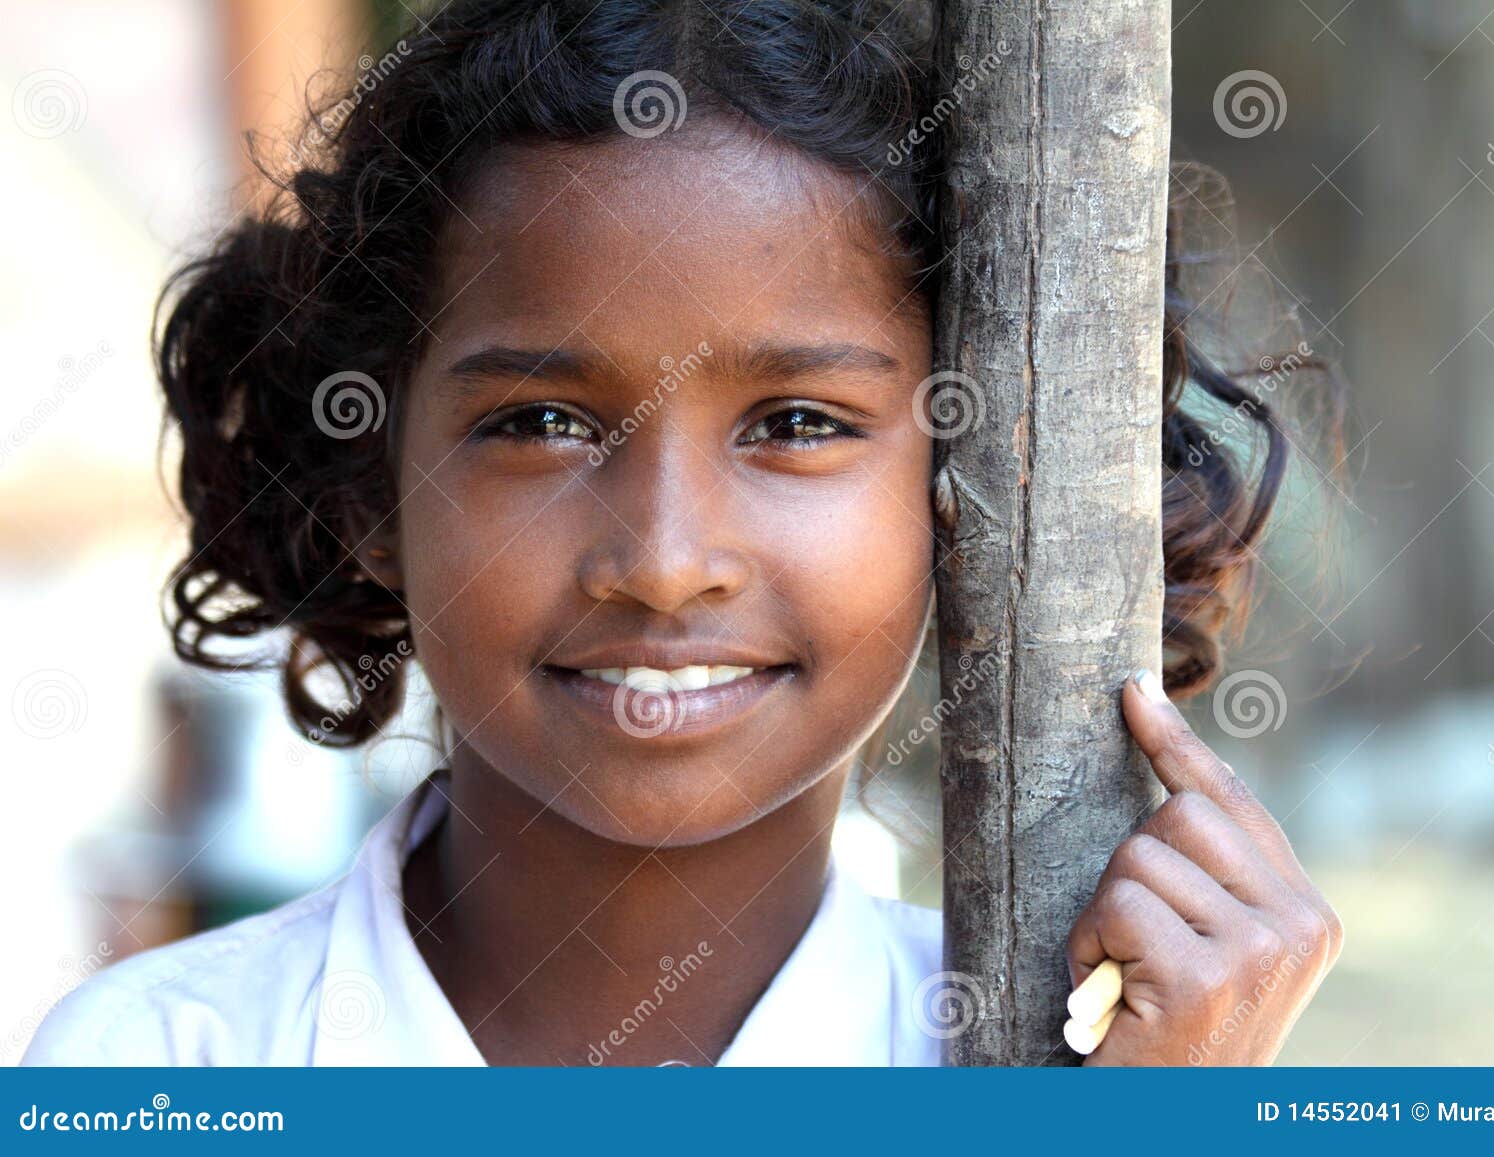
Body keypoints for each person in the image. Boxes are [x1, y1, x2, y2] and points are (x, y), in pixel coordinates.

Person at [23, 0, 1343, 1067]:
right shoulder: (166, 1066)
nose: (661, 560)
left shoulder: (1086, 1068)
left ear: (967, 496)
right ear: (370, 493)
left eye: (797, 422)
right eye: (541, 419)